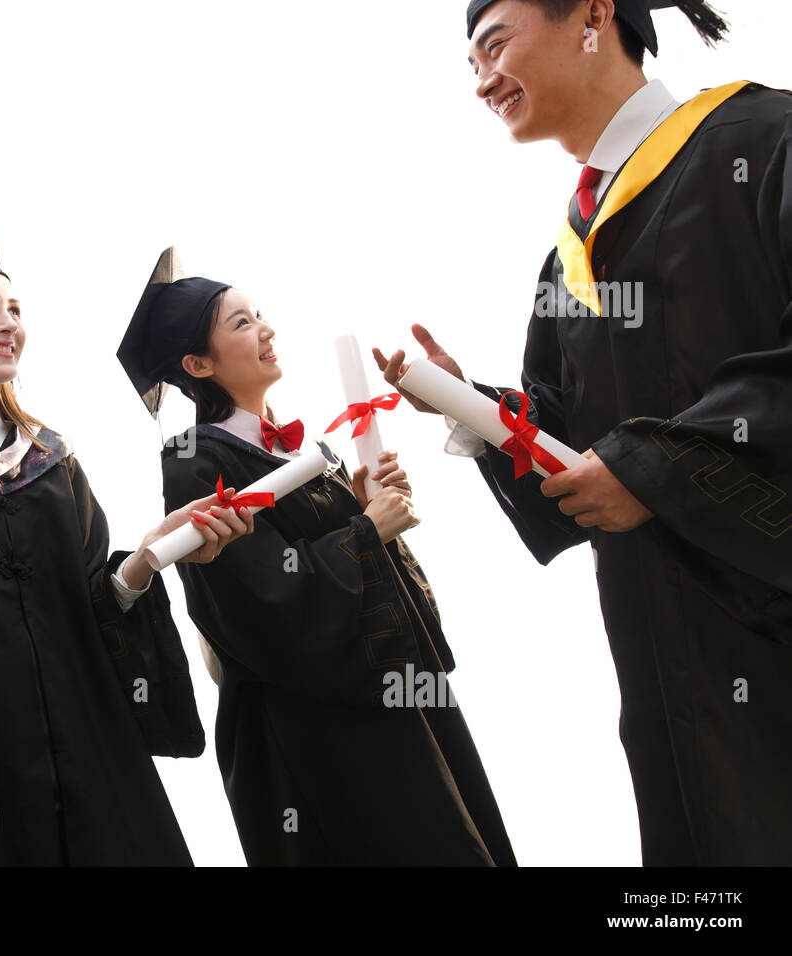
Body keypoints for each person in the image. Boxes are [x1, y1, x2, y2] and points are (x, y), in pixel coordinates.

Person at [376, 0, 792, 865]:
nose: (483, 79)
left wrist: (651, 470)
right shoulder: (568, 254)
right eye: (471, 62)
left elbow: (633, 455)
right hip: (661, 648)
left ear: (595, 14)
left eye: (494, 43)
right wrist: (475, 408)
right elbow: (575, 444)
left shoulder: (761, 140)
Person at [0, 204, 253, 865]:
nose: (8, 322)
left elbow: (93, 604)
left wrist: (145, 562)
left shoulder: (49, 461)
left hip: (91, 756)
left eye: (15, 308)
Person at [117, 247, 517, 865]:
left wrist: (357, 509)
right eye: (242, 323)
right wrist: (367, 532)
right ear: (198, 363)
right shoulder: (195, 459)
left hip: (388, 695)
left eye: (260, 315)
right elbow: (258, 603)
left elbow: (315, 555)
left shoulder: (304, 454)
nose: (266, 330)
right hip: (313, 727)